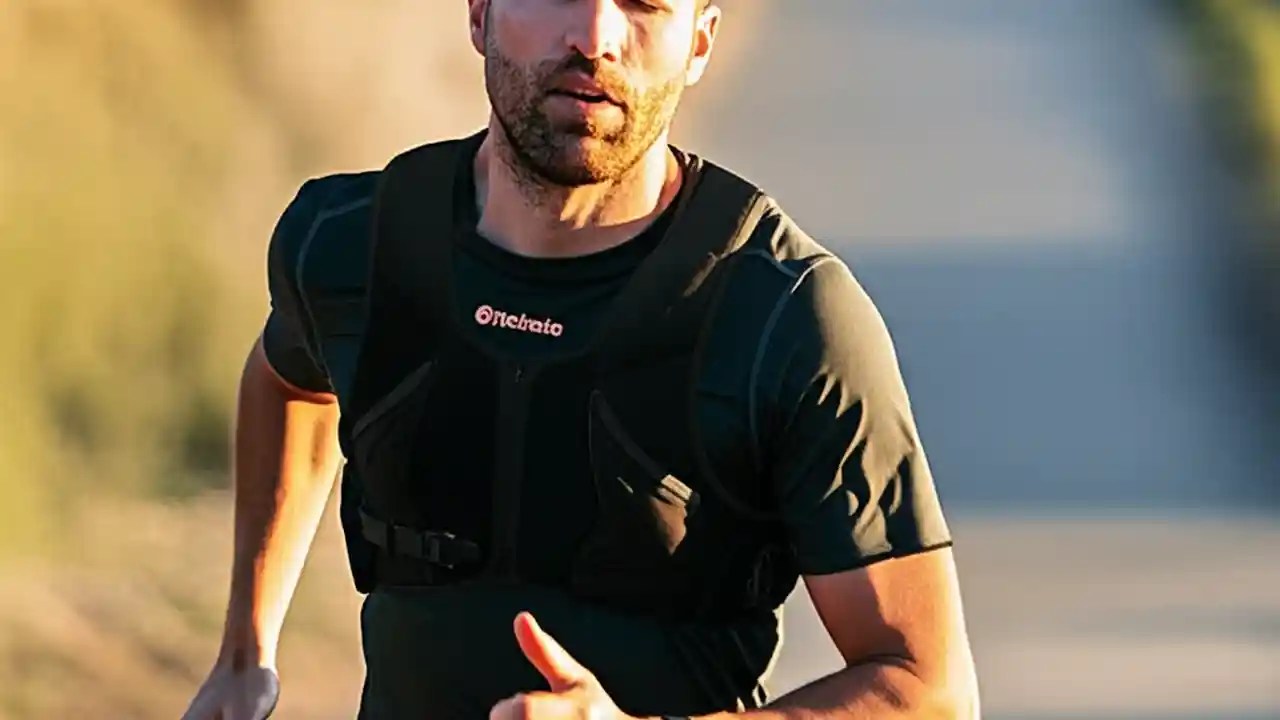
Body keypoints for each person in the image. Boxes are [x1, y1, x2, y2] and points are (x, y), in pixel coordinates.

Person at [182, 1, 981, 718]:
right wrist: (245, 650)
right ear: (479, 12)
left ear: (698, 42)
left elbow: (928, 689)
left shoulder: (786, 316)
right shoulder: (350, 244)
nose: (593, 36)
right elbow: (291, 376)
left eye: (643, 5)